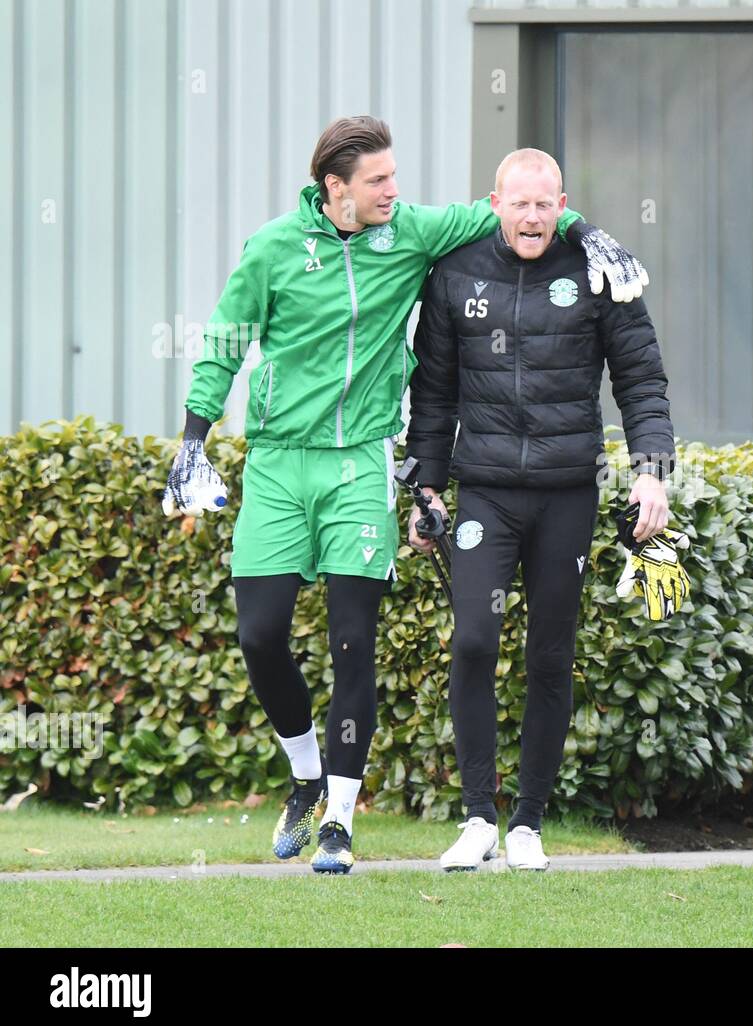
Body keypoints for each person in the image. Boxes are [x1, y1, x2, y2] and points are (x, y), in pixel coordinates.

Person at [161, 117, 648, 875]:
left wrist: (589, 231)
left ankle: (341, 822)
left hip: (359, 462)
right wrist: (192, 438)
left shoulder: (412, 231)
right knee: (259, 634)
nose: (396, 190)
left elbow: (522, 205)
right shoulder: (272, 250)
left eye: (395, 178)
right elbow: (225, 341)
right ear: (337, 190)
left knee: (355, 638)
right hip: (279, 461)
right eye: (381, 181)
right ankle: (303, 771)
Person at [406, 148, 675, 872]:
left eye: (544, 203)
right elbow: (432, 393)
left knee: (550, 654)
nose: (531, 216)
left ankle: (527, 823)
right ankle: (475, 819)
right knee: (473, 641)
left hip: (567, 493)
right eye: (518, 202)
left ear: (563, 205)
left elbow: (642, 379)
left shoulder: (598, 271)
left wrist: (651, 474)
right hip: (484, 492)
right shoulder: (454, 273)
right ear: (493, 202)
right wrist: (425, 489)